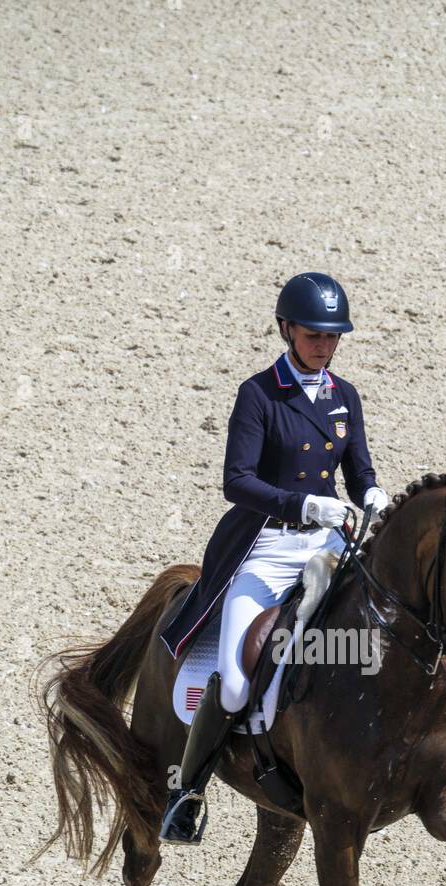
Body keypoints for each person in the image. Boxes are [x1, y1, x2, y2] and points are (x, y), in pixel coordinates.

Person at [159, 272, 390, 844]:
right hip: (266, 548)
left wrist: (371, 495)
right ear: (287, 329)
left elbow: (358, 470)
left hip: (329, 544)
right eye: (314, 334)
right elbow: (236, 482)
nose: (325, 345)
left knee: (399, 622)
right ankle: (187, 792)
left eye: (334, 337)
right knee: (235, 684)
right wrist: (305, 504)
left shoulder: (345, 396)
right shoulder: (259, 395)